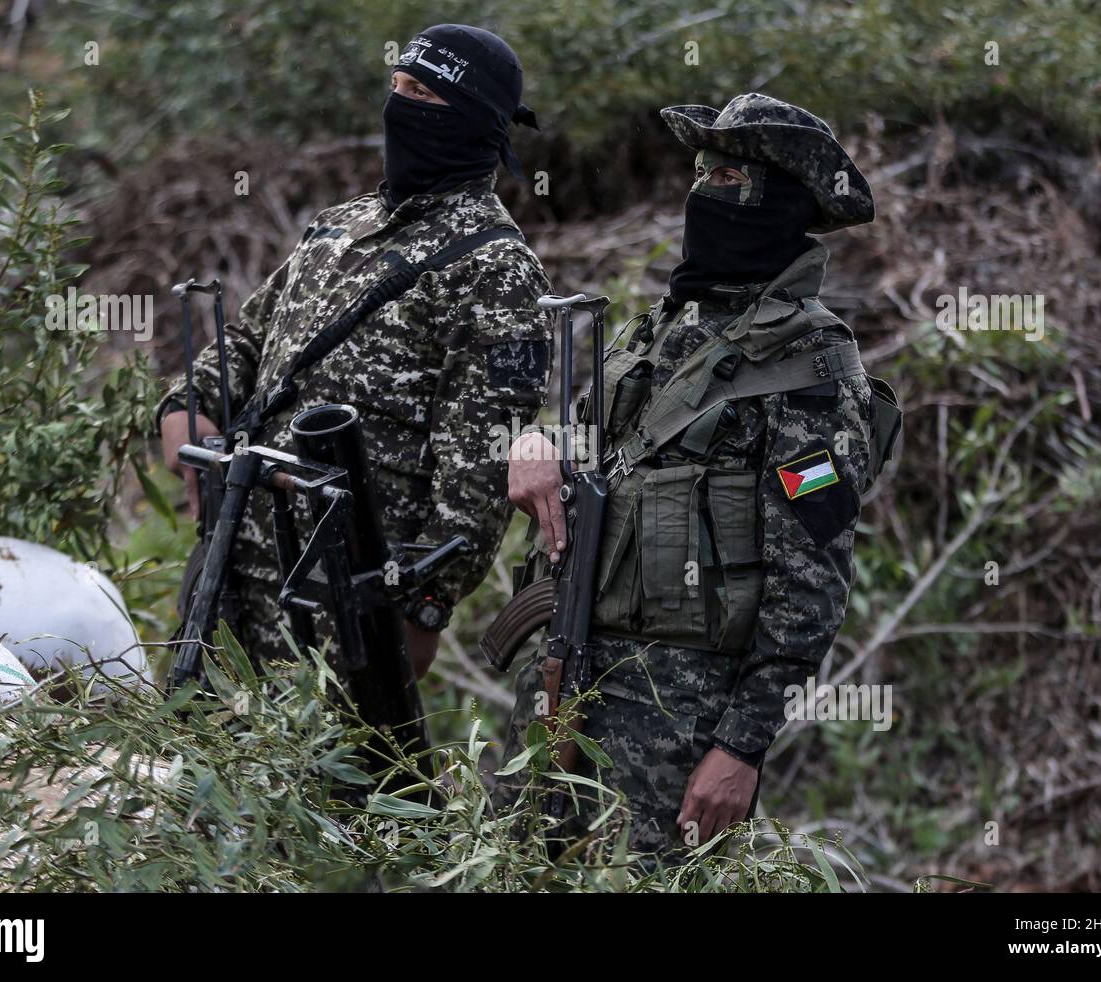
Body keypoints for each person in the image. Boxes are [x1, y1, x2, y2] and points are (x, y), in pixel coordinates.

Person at [500, 93, 896, 856]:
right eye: (701, 172)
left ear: (778, 205)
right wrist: (535, 442)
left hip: (674, 725)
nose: (704, 193)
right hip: (559, 682)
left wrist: (741, 748)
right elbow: (581, 441)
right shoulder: (664, 330)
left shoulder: (807, 370)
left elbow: (811, 584)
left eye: (729, 178)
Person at [158, 24, 552, 678]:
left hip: (346, 596)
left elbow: (476, 466)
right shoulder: (339, 226)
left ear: (471, 118)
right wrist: (187, 405)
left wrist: (424, 606)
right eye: (396, 86)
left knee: (317, 773)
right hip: (232, 561)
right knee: (195, 755)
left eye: (421, 93)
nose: (399, 106)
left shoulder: (496, 269)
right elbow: (253, 333)